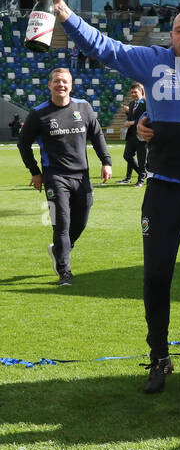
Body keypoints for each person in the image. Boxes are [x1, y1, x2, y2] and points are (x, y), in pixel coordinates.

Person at [41, 0, 180, 393]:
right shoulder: (151, 62)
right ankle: (159, 357)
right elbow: (104, 48)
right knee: (156, 276)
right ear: (170, 35)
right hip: (164, 190)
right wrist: (64, 12)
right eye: (178, 30)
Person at [18, 67, 113, 286]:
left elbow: (97, 135)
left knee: (81, 221)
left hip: (82, 177)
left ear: (71, 85)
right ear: (50, 85)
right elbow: (23, 144)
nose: (61, 85)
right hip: (55, 177)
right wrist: (35, 172)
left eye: (65, 82)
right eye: (57, 81)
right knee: (61, 224)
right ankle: (65, 273)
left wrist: (106, 162)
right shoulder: (39, 114)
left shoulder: (84, 108)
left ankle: (59, 250)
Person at [120, 82, 148, 185]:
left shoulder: (146, 103)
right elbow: (131, 117)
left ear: (141, 92)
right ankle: (142, 174)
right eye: (131, 92)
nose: (133, 94)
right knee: (127, 156)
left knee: (142, 159)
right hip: (131, 134)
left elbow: (148, 118)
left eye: (135, 92)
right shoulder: (131, 104)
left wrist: (132, 122)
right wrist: (128, 116)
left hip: (142, 134)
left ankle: (140, 180)